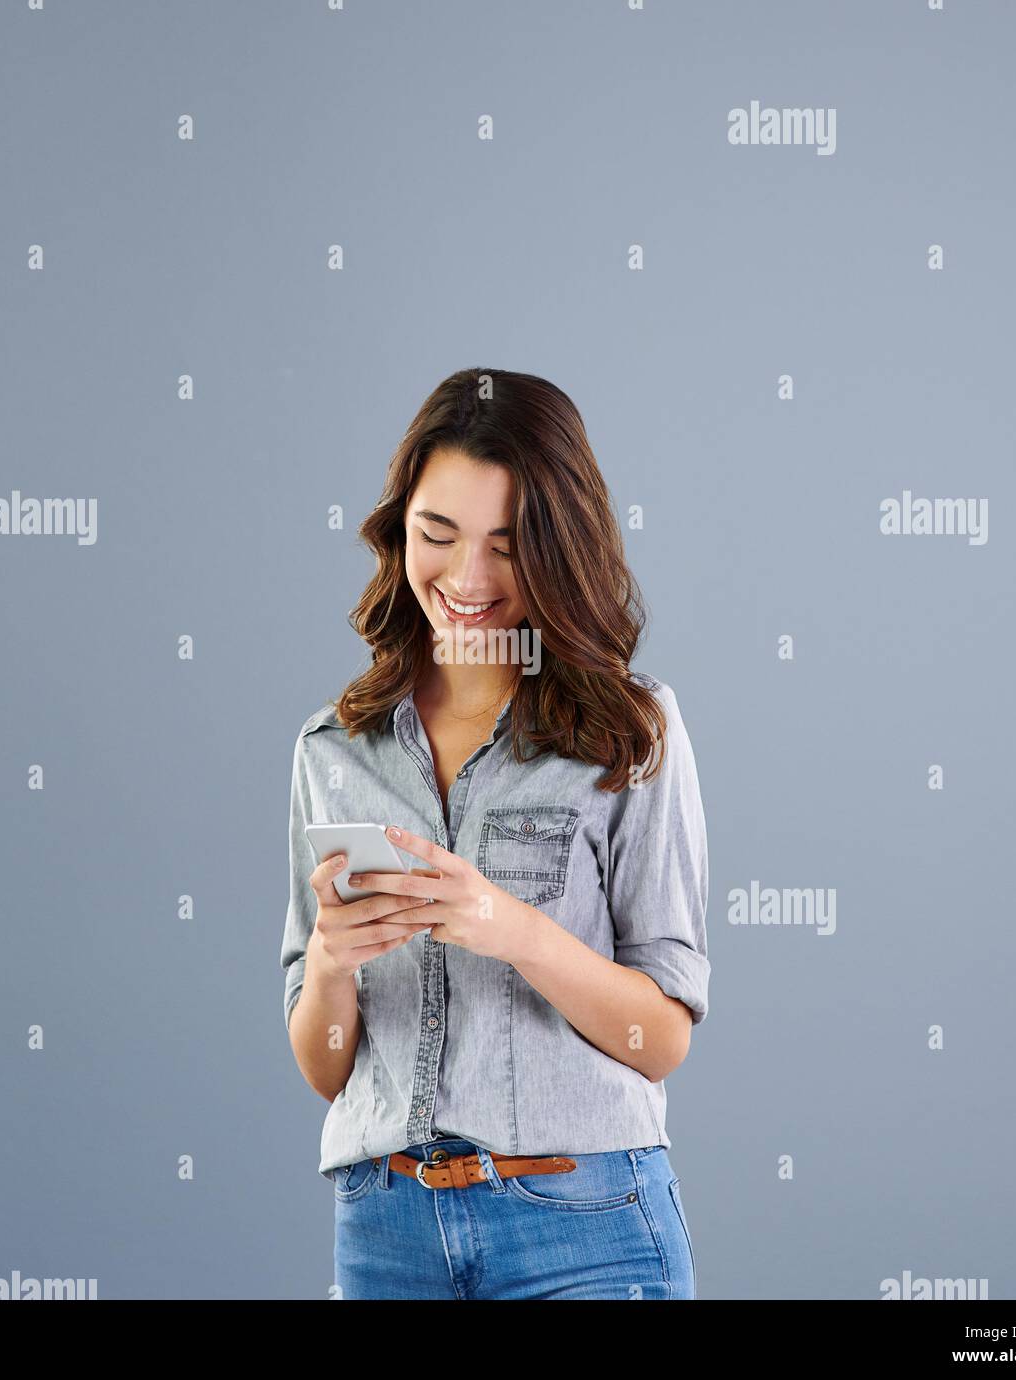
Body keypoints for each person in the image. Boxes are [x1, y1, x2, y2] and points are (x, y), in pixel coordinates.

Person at [281, 367, 711, 1299]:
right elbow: (325, 1069)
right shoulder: (333, 749)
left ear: (560, 551)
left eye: (507, 547)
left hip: (586, 1231)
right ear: (400, 530)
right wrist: (328, 961)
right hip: (387, 1232)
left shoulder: (630, 733)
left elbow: (662, 1037)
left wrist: (505, 926)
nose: (467, 580)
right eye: (438, 536)